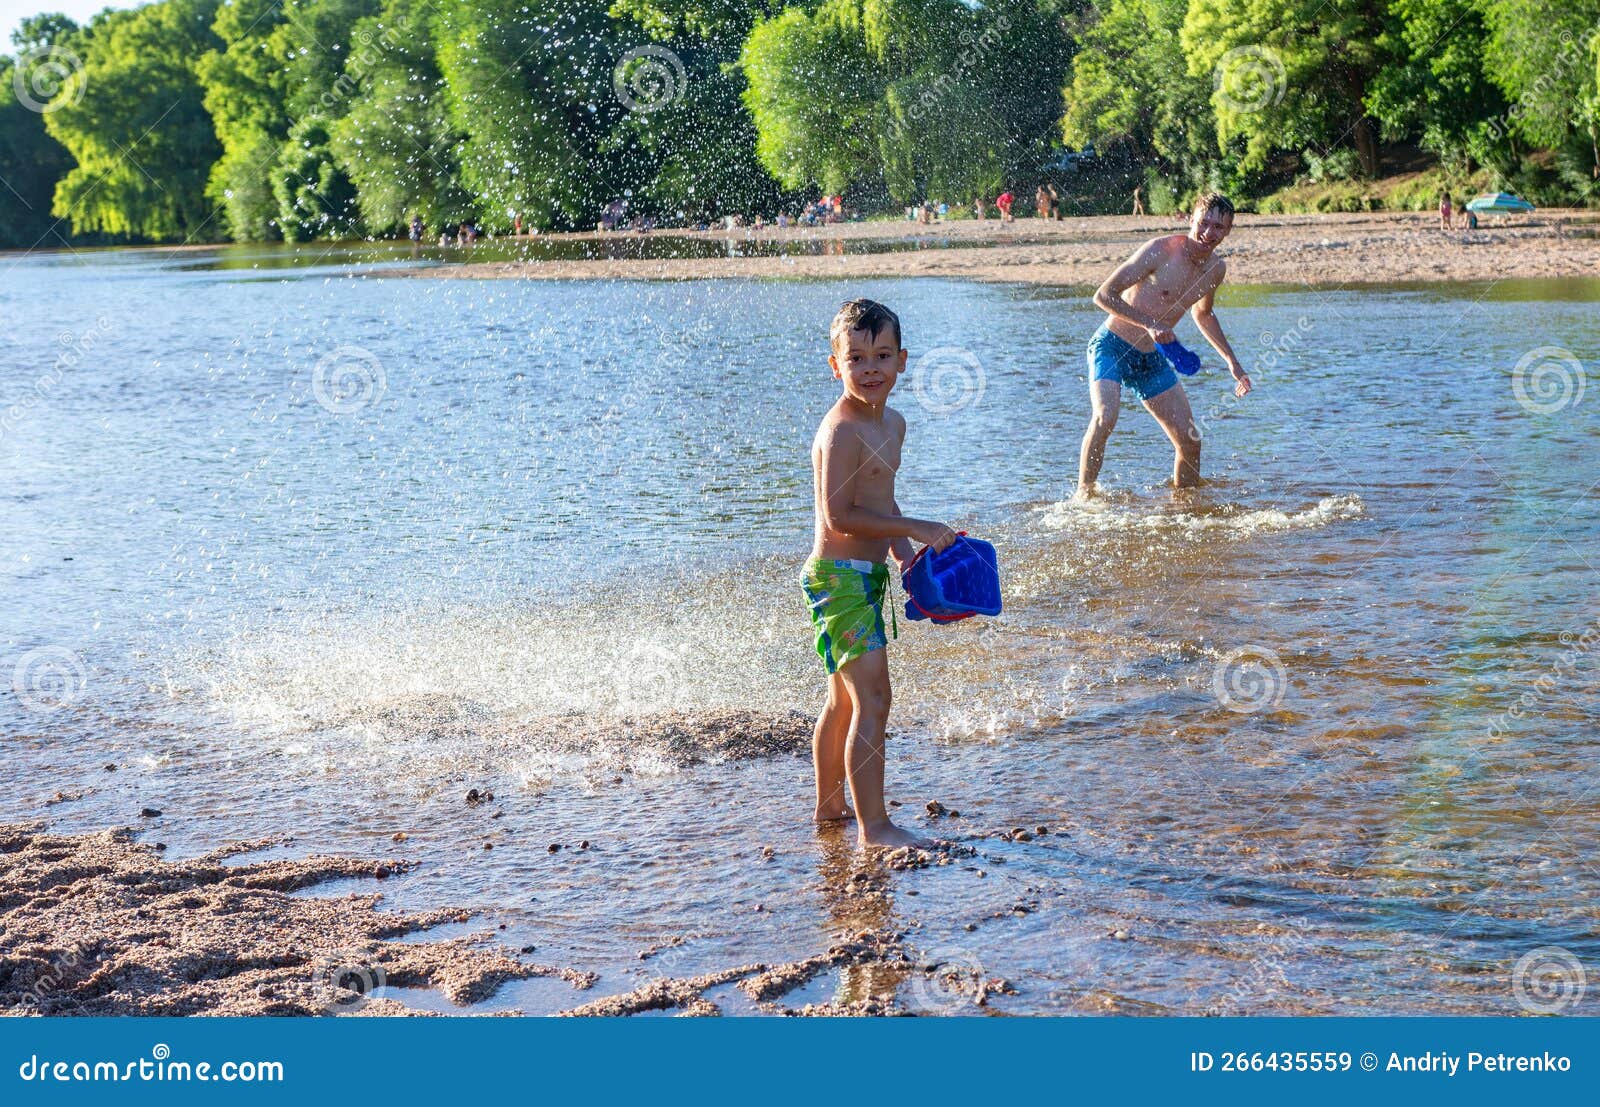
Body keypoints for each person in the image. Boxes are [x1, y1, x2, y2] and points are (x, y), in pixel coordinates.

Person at [804, 298, 957, 849]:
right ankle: (876, 827)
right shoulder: (842, 430)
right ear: (835, 365)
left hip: (862, 577)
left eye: (883, 356)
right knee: (874, 700)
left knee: (843, 701)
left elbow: (880, 502)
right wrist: (916, 526)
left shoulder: (893, 423)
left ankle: (830, 809)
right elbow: (839, 515)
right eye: (857, 358)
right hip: (838, 578)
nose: (871, 368)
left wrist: (901, 551)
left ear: (902, 361)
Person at [1077, 192, 1253, 498]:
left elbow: (1204, 314)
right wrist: (1150, 323)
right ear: (1191, 219)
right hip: (1112, 347)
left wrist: (1232, 362)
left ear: (1228, 231)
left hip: (1151, 360)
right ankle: (1084, 495)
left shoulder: (1215, 270)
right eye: (1204, 223)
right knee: (1106, 416)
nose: (1209, 233)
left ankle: (1185, 508)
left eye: (1219, 228)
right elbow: (1104, 295)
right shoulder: (1161, 250)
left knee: (1190, 440)